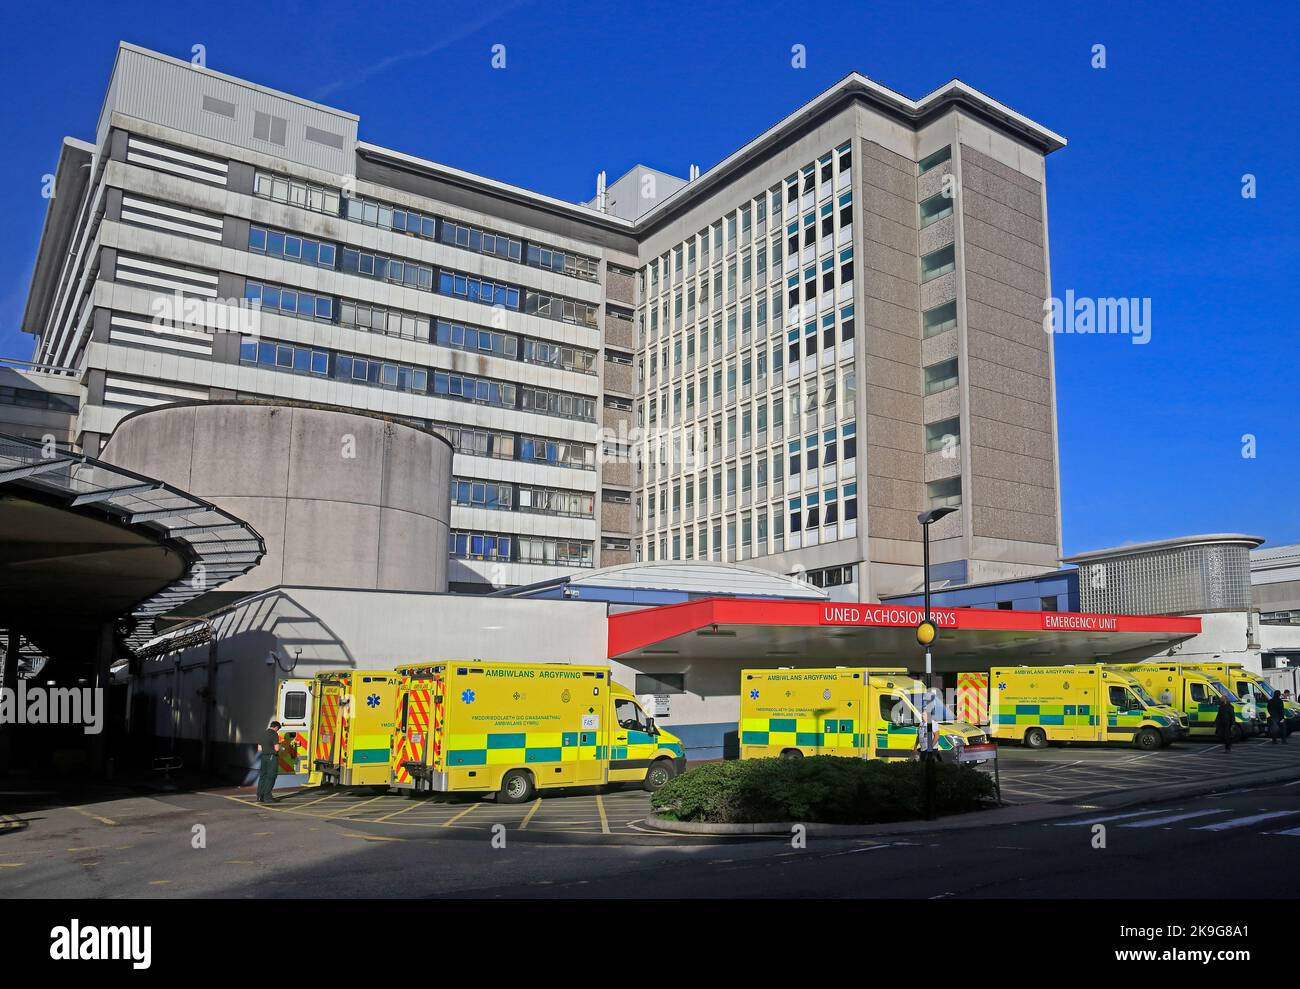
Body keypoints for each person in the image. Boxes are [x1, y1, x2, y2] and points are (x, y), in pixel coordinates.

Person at [256, 720, 283, 803]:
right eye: (278, 729)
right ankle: (267, 797)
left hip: (263, 757)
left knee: (263, 776)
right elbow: (276, 748)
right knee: (271, 776)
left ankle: (260, 796)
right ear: (276, 727)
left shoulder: (263, 733)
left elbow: (259, 748)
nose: (277, 730)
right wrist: (281, 747)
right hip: (272, 757)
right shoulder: (274, 734)